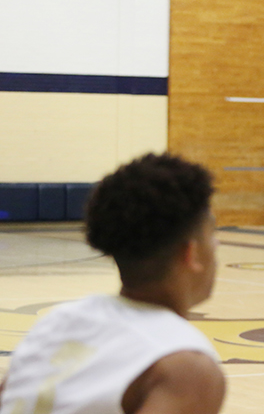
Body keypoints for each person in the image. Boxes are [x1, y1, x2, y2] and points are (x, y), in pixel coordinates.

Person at [0, 154, 224, 414]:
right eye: (212, 235)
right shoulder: (185, 365)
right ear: (191, 253)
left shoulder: (56, 322)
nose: (217, 246)